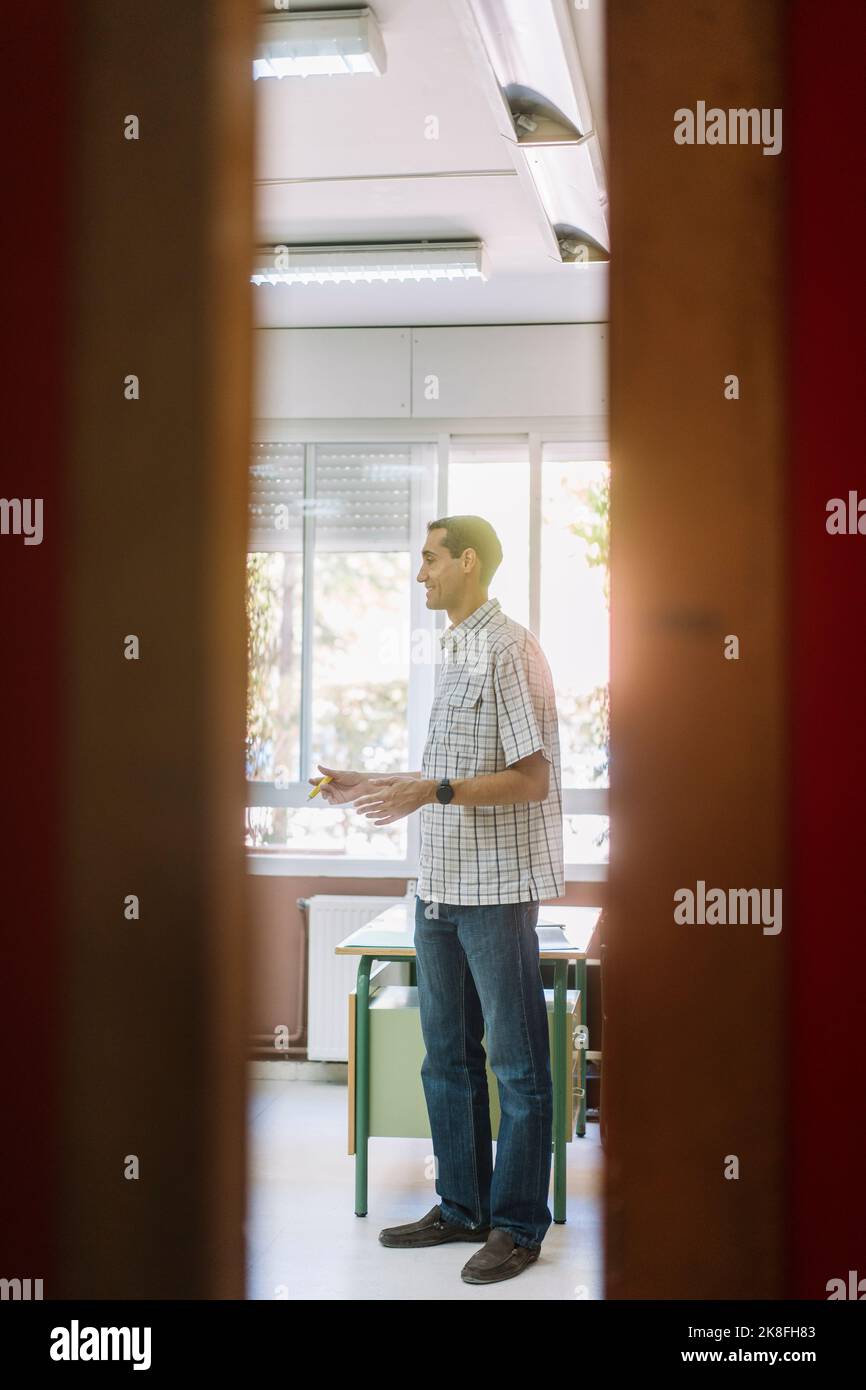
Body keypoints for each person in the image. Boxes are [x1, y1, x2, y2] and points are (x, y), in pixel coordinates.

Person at [310, 515, 564, 1285]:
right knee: (445, 1058)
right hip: (439, 885)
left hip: (495, 888)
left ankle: (517, 1225)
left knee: (516, 1065)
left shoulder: (509, 649)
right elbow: (442, 779)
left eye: (429, 559)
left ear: (469, 563)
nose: (420, 573)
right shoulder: (453, 651)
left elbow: (532, 777)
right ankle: (462, 1206)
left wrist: (434, 789)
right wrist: (370, 782)